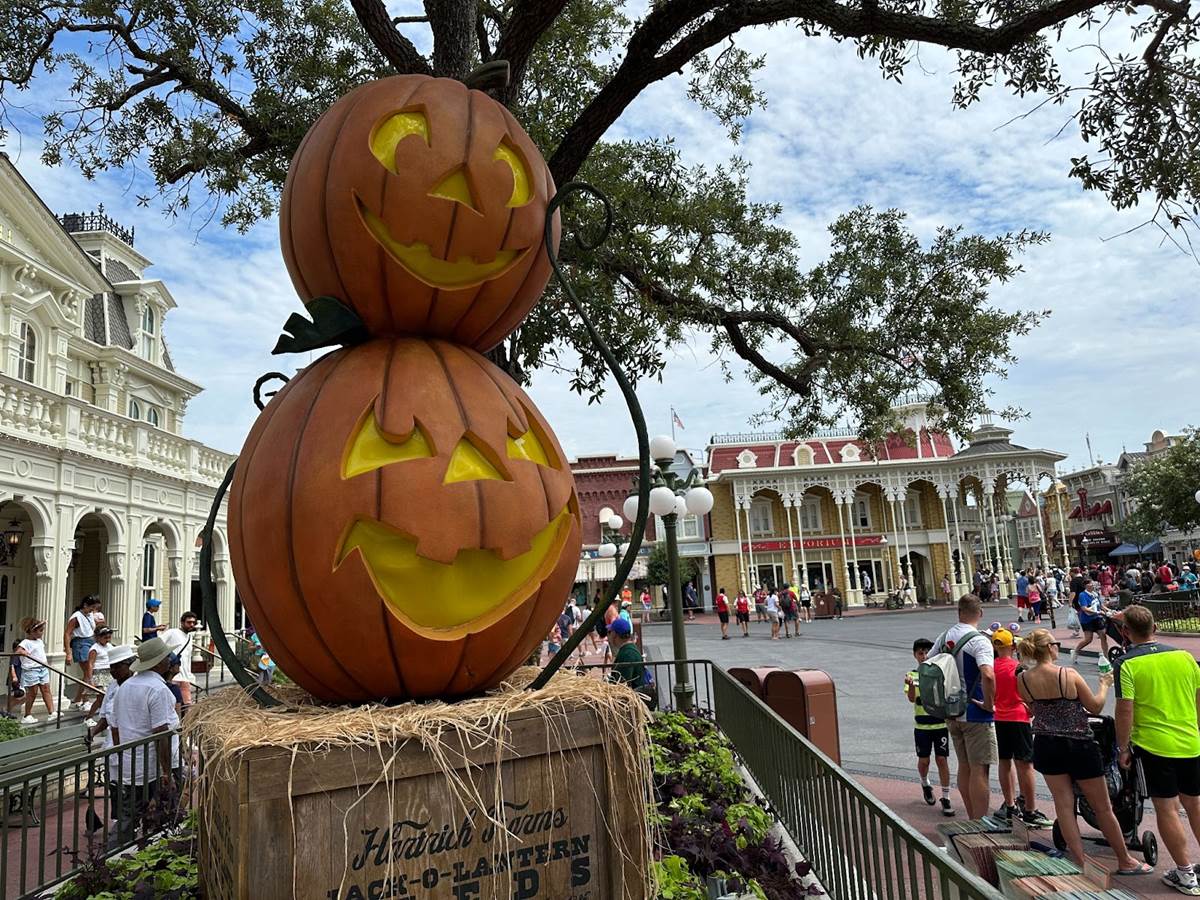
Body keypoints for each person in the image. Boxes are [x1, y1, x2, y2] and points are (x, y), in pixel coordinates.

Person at [1016, 628, 1152, 876]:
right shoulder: (1067, 674)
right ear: (1049, 648)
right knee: (1102, 807)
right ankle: (1125, 860)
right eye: (1056, 643)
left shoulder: (1023, 679)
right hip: (1078, 744)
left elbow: (1034, 711)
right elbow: (1095, 706)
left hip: (1046, 745)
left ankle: (1079, 861)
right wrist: (1104, 685)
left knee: (1064, 805)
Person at [1115, 604, 1200, 895]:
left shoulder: (1127, 664)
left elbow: (1125, 710)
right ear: (1155, 626)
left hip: (1154, 745)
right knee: (1195, 804)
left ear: (1126, 632)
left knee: (1167, 808)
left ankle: (1185, 873)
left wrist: (1122, 747)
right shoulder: (1185, 657)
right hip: (1190, 741)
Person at [930, 594, 996, 820]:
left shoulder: (944, 636)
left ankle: (971, 817)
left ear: (959, 612)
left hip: (952, 710)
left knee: (964, 766)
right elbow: (988, 674)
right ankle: (980, 822)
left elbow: (928, 663)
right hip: (976, 712)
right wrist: (989, 703)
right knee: (980, 769)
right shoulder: (979, 641)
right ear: (981, 613)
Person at [111, 638, 179, 842]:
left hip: (131, 764)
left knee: (128, 817)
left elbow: (115, 727)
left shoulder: (126, 686)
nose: (169, 660)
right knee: (160, 816)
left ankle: (117, 858)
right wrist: (166, 772)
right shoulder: (157, 689)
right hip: (150, 768)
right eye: (166, 657)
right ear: (159, 663)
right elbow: (161, 733)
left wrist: (121, 754)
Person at [990, 627, 1052, 827]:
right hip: (1019, 717)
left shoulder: (991, 667)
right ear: (1013, 646)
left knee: (1005, 761)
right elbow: (1028, 693)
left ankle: (1009, 805)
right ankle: (1030, 809)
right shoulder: (1018, 668)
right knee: (1025, 764)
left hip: (999, 717)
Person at [83, 643, 136, 835]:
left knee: (130, 786)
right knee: (115, 785)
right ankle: (119, 821)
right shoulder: (113, 686)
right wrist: (94, 732)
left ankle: (130, 823)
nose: (113, 672)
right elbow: (105, 717)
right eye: (111, 668)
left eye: (117, 667)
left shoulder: (137, 685)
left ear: (129, 664)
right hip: (112, 746)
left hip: (132, 745)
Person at [906, 638, 954, 817]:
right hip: (922, 726)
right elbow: (911, 698)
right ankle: (925, 782)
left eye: (927, 652)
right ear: (915, 655)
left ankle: (946, 796)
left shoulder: (938, 673)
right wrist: (911, 687)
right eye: (920, 653)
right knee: (924, 760)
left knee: (942, 759)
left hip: (940, 724)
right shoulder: (912, 674)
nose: (924, 656)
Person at [64, 594, 101, 709]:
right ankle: (85, 701)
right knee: (87, 672)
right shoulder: (76, 617)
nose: (93, 610)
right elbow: (67, 633)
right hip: (81, 643)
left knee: (87, 673)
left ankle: (77, 699)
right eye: (91, 607)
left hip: (90, 641)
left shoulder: (89, 615)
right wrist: (68, 652)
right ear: (85, 605)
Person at [16, 617, 54, 724]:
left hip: (42, 668)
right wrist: (23, 652)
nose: (42, 633)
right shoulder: (26, 642)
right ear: (32, 631)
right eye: (40, 631)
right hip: (31, 669)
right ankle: (27, 714)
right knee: (32, 693)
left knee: (46, 689)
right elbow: (18, 650)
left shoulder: (39, 641)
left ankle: (52, 712)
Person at [161, 612, 201, 709]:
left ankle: (185, 724)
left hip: (185, 676)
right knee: (173, 705)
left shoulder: (189, 637)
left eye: (193, 623)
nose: (191, 625)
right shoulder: (172, 632)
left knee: (187, 705)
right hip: (173, 676)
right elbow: (159, 643)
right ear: (182, 622)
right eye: (189, 622)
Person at [1071, 581, 1110, 664]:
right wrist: (1098, 612)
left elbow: (1101, 605)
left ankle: (1106, 657)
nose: (1093, 585)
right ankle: (1076, 651)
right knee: (1088, 639)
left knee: (1103, 636)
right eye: (1090, 584)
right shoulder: (1082, 595)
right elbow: (1084, 608)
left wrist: (1109, 611)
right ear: (1086, 586)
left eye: (1093, 584)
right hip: (1087, 619)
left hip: (1097, 618)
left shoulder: (1095, 594)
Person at [85, 627, 116, 726]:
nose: (107, 640)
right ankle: (89, 717)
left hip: (108, 673)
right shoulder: (95, 648)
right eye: (105, 637)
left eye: (108, 637)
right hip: (99, 673)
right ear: (98, 637)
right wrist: (90, 679)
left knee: (110, 696)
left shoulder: (109, 646)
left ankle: (107, 716)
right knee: (101, 698)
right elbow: (90, 663)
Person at [606, 617, 644, 688]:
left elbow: (623, 683)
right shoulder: (627, 650)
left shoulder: (628, 654)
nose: (608, 636)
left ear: (614, 634)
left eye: (609, 632)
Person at [6, 639, 25, 719]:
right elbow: (12, 666)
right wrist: (14, 677)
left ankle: (8, 711)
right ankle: (7, 710)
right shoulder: (16, 656)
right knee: (20, 695)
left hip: (18, 678)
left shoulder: (19, 656)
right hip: (16, 679)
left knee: (19, 695)